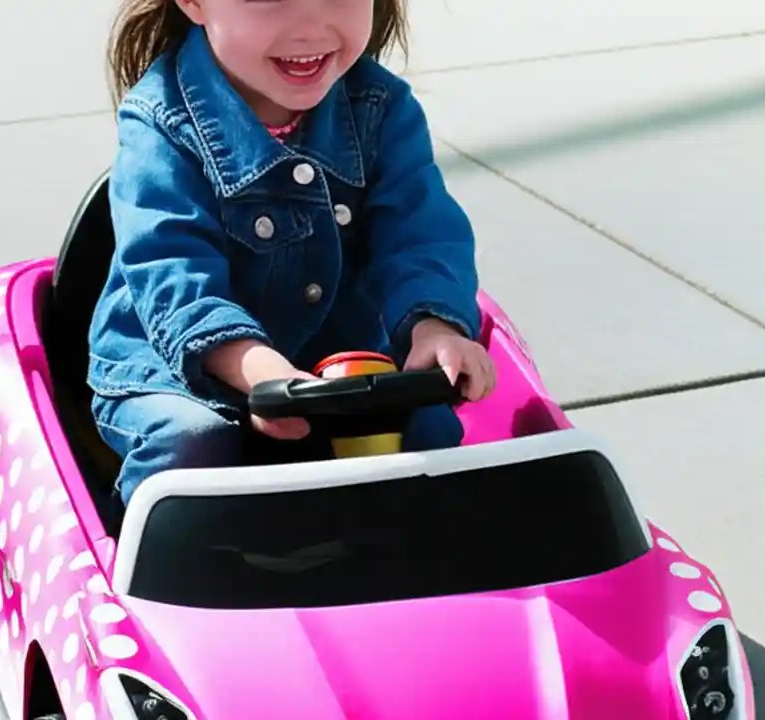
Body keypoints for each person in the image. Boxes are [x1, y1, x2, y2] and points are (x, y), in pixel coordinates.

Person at [87, 0, 497, 506]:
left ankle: (407, 569)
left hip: (339, 364)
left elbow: (420, 232)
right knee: (189, 443)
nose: (309, 26)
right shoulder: (161, 122)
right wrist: (256, 368)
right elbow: (171, 267)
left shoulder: (381, 107)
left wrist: (435, 328)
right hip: (181, 370)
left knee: (428, 431)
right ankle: (147, 569)